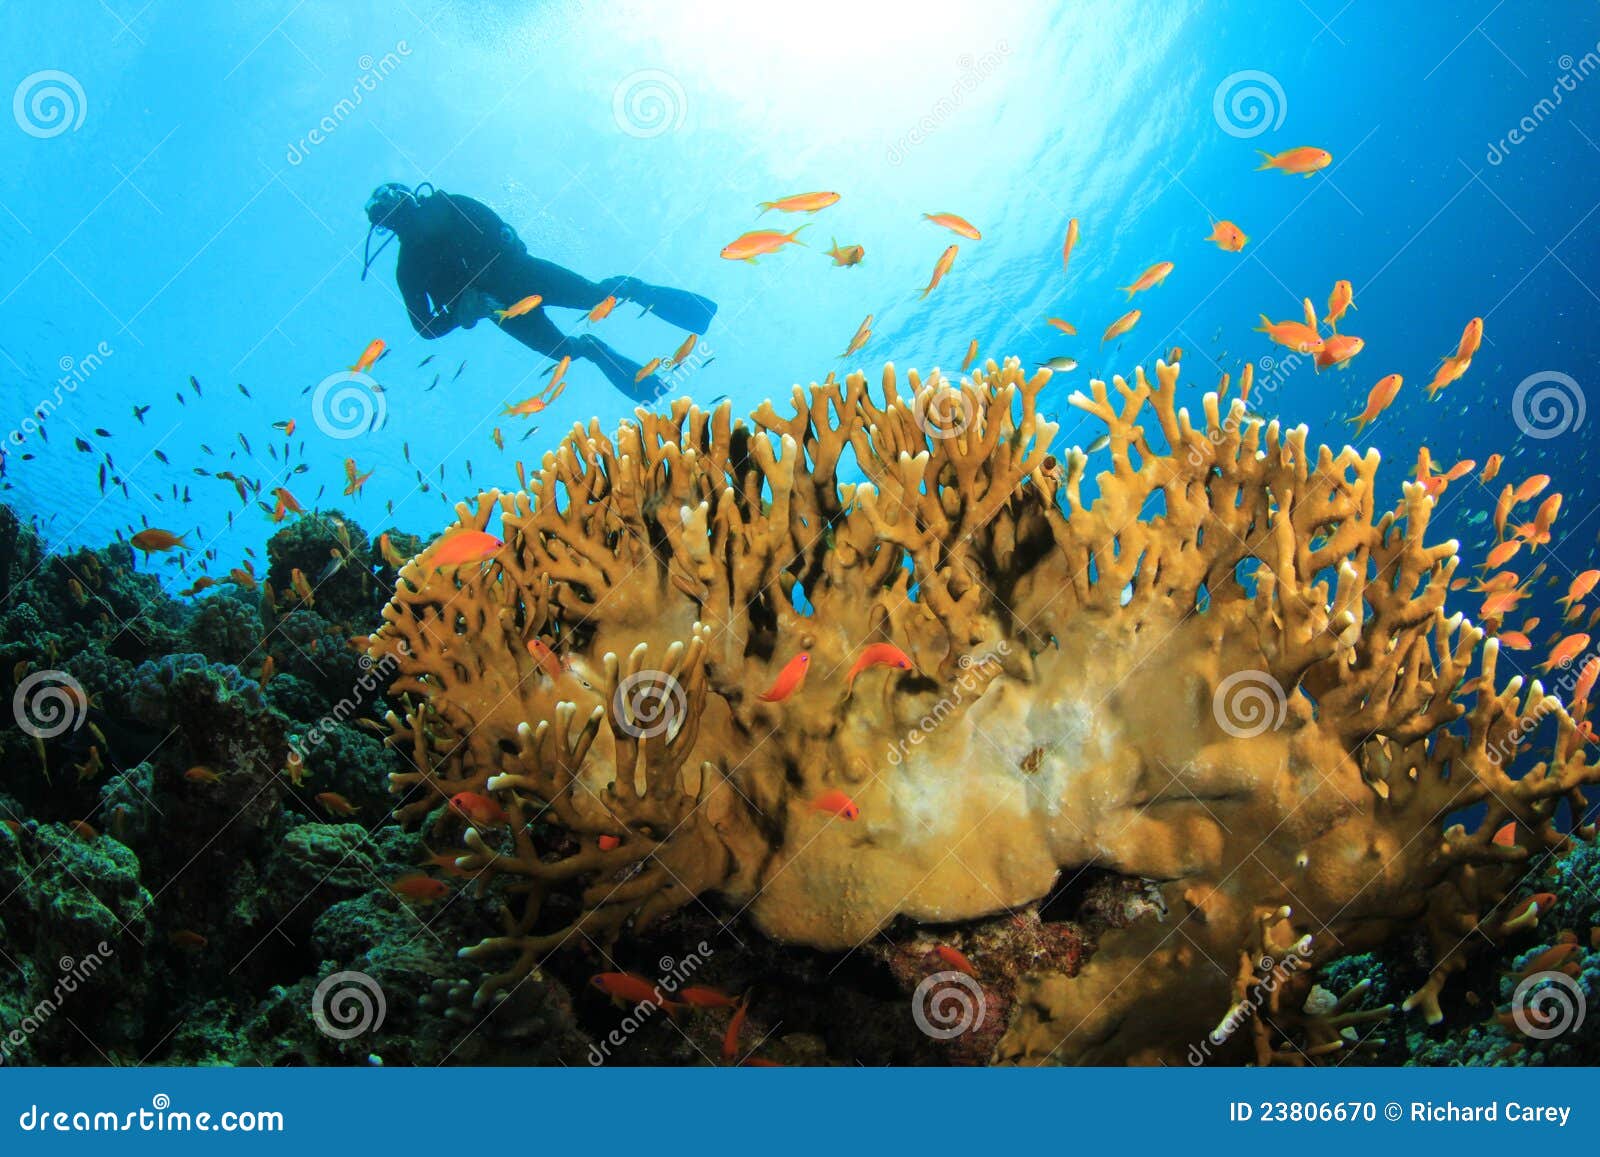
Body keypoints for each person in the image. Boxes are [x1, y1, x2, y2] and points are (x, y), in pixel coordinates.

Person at [361, 182, 716, 401]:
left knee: (595, 298)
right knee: (564, 352)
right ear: (386, 224)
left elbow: (499, 227)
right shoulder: (408, 266)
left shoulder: (444, 206)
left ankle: (636, 290)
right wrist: (460, 315)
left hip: (522, 273)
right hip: (499, 307)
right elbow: (424, 328)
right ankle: (594, 348)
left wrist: (505, 250)